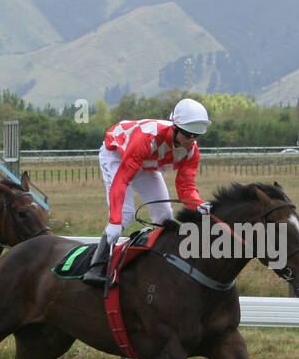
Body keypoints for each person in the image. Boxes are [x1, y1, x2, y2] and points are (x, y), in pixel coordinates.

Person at [82, 98, 213, 287]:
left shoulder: (191, 151)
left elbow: (186, 189)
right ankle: (95, 267)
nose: (191, 140)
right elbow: (122, 179)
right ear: (175, 127)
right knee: (124, 216)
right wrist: (114, 220)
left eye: (196, 135)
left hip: (145, 162)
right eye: (187, 134)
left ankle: (156, 262)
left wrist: (199, 204)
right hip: (117, 155)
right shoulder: (147, 139)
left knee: (164, 215)